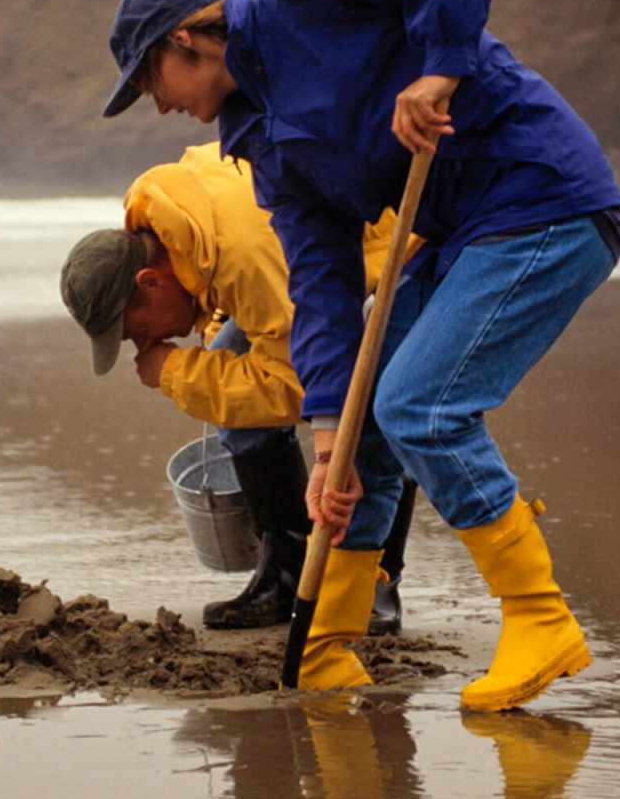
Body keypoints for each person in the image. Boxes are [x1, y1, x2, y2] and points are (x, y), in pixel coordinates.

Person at [100, 0, 620, 711]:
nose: (157, 103)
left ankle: (539, 617)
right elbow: (321, 286)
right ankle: (330, 643)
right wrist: (322, 439)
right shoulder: (262, 145)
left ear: (185, 41)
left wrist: (441, 66)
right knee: (362, 429)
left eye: (149, 79)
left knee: (420, 407)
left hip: (543, 201)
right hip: (463, 237)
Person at [60, 143, 416, 632]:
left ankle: (376, 582)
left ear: (149, 281)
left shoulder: (247, 258)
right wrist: (206, 346)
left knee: (370, 421)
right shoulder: (171, 221)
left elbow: (305, 388)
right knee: (238, 403)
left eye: (136, 331)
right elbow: (230, 278)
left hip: (397, 255)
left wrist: (175, 372)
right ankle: (286, 575)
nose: (148, 342)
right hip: (294, 274)